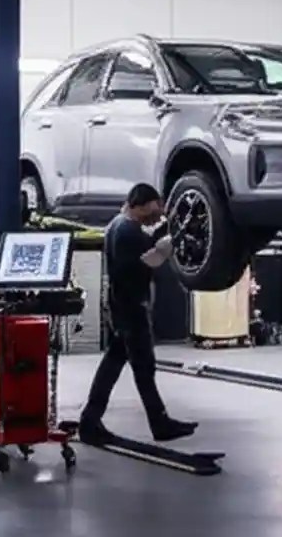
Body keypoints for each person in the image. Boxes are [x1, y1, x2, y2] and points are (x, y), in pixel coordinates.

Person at [78, 183, 197, 444]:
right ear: (141, 204)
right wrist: (164, 249)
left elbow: (140, 248)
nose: (160, 211)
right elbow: (143, 261)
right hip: (132, 307)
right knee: (144, 368)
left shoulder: (116, 225)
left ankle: (89, 420)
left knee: (112, 365)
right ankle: (159, 423)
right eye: (156, 206)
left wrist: (159, 237)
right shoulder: (128, 230)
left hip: (120, 305)